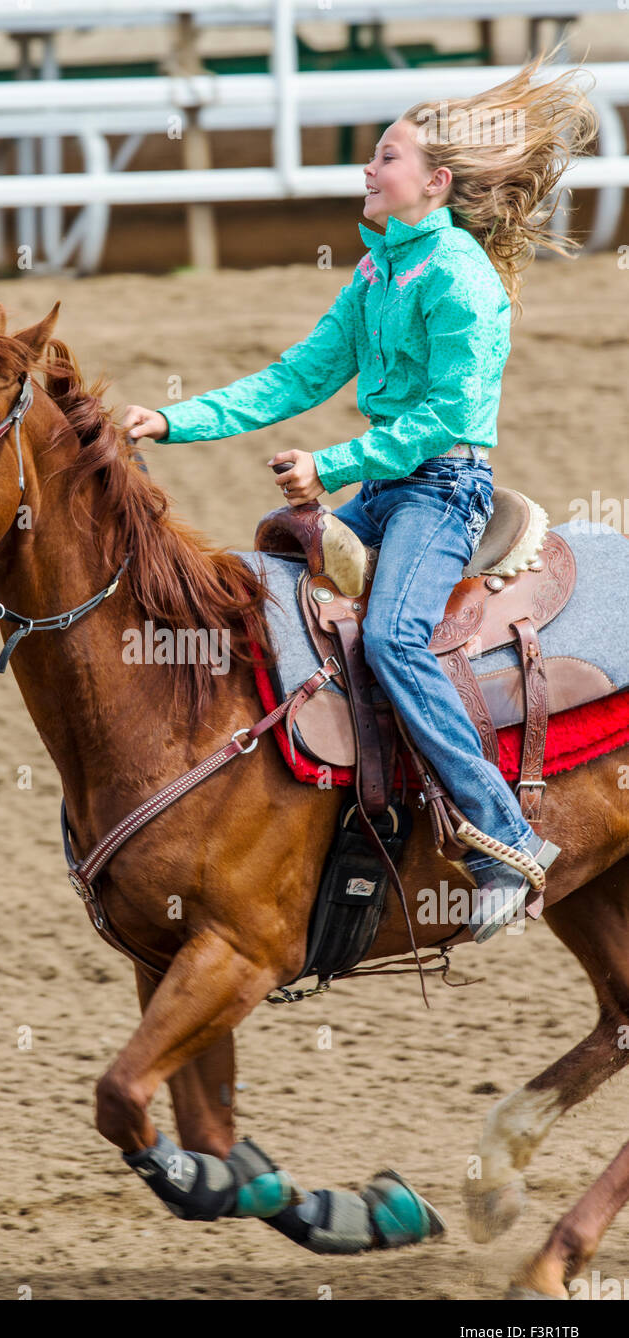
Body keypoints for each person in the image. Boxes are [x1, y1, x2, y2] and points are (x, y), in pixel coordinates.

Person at [122, 48, 597, 941]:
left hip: (442, 491)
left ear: (434, 182)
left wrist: (331, 468)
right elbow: (298, 375)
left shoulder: (456, 276)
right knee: (266, 592)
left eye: (386, 156)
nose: (368, 169)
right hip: (387, 486)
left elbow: (451, 413)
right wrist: (172, 421)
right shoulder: (378, 272)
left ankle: (506, 834)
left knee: (392, 636)